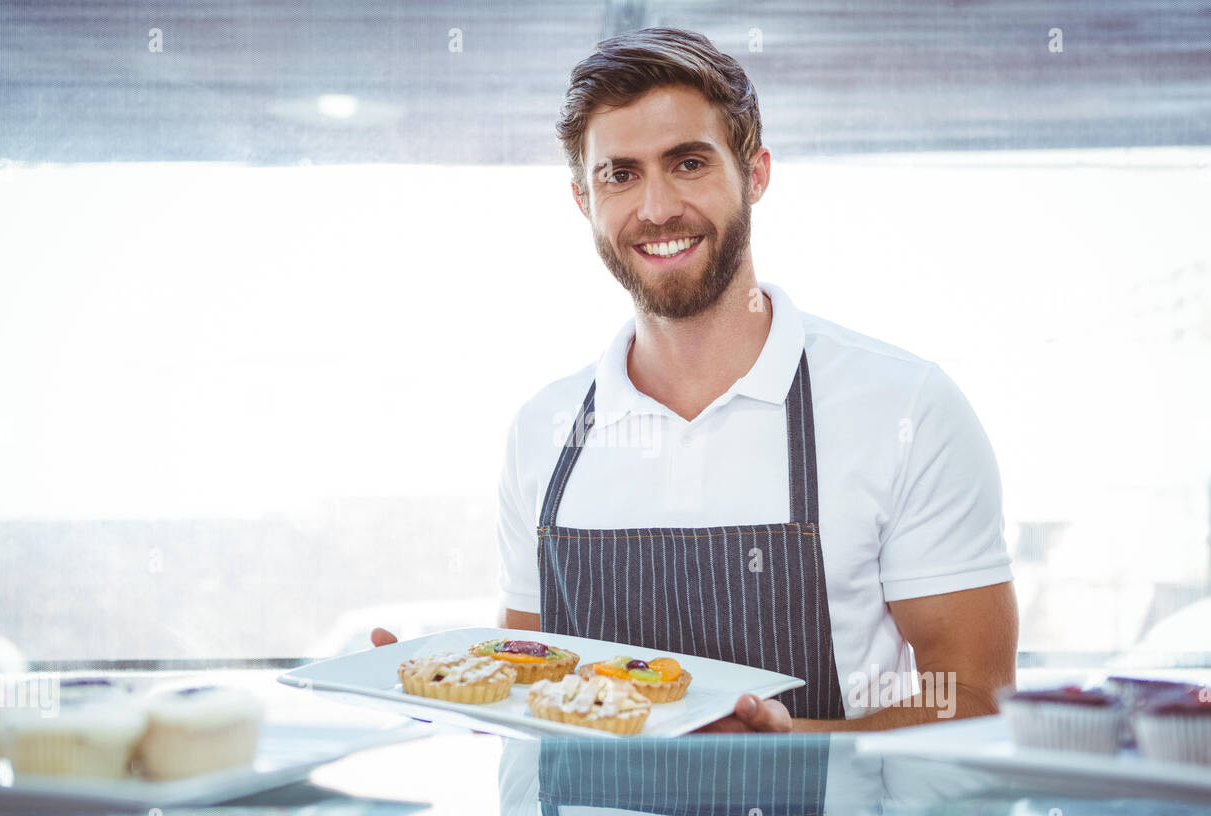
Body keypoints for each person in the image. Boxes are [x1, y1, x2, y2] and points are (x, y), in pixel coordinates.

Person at [372, 26, 1018, 734]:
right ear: (583, 199)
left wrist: (791, 745)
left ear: (757, 173)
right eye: (620, 174)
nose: (655, 210)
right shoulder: (543, 433)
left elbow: (976, 695)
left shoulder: (905, 408)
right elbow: (536, 689)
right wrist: (437, 697)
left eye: (687, 163)